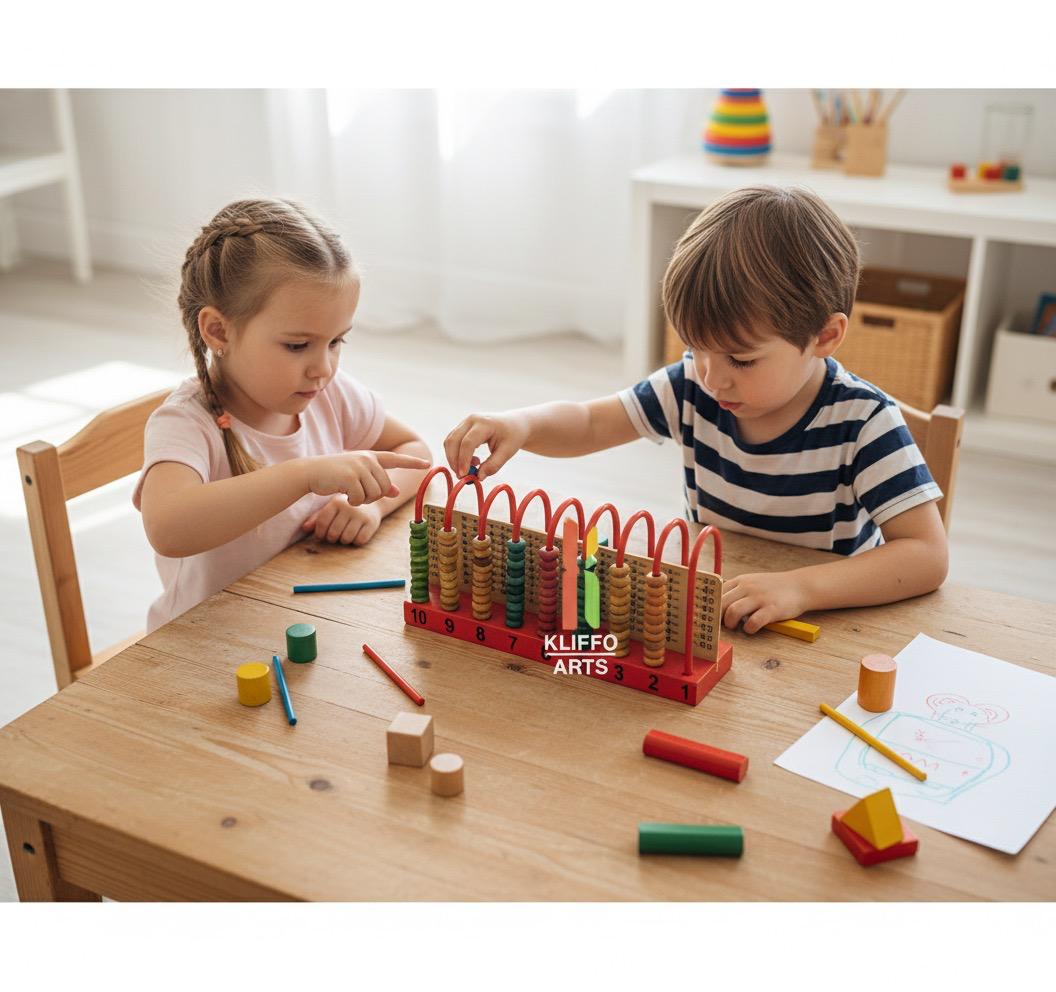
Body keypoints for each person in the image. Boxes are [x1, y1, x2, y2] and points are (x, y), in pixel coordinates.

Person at [442, 186, 948, 634]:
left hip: (822, 625)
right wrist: (522, 424)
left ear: (825, 337)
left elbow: (926, 556)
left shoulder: (864, 424)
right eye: (695, 347)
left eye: (742, 359)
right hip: (714, 610)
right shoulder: (691, 386)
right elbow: (593, 423)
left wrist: (801, 590)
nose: (712, 376)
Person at [135, 198, 430, 633]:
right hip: (200, 645)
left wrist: (370, 508)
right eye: (297, 345)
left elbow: (415, 455)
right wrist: (303, 475)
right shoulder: (186, 422)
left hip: (295, 618)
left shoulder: (328, 393)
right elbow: (168, 528)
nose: (323, 368)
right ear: (218, 331)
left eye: (336, 342)